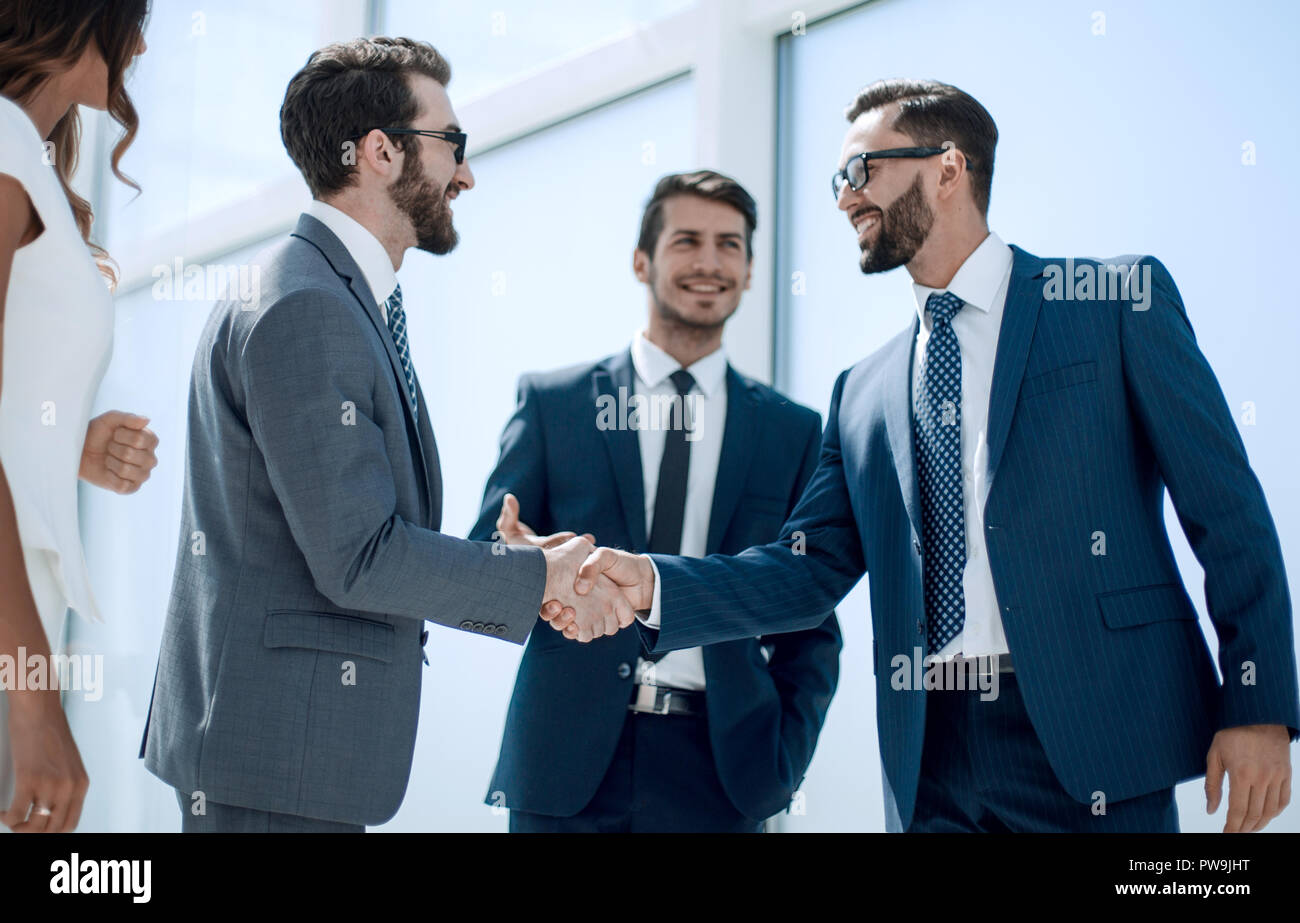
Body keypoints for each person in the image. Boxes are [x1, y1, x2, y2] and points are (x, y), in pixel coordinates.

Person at [562, 79, 1299, 833]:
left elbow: (1228, 512)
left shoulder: (1112, 301)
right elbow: (806, 567)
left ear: (948, 169)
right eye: (837, 180)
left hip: (1095, 738)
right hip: (931, 760)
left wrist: (1260, 704)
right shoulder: (861, 390)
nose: (845, 199)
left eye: (861, 172)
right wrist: (653, 581)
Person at [138, 36, 631, 833]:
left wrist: (516, 570)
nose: (466, 172)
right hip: (275, 762)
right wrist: (535, 576)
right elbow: (360, 557)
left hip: (285, 757)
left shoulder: (326, 294)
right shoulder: (307, 306)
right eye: (452, 145)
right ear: (379, 151)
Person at [476, 171, 842, 833]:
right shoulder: (555, 403)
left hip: (723, 772)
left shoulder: (792, 431)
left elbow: (811, 618)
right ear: (641, 259)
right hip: (564, 768)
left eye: (730, 245)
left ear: (752, 269)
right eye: (688, 240)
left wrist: (780, 761)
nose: (709, 262)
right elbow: (484, 556)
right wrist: (522, 561)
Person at [0, 0, 156, 834]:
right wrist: (33, 700)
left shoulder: (24, 155)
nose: (142, 40)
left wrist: (66, 445)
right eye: (136, 14)